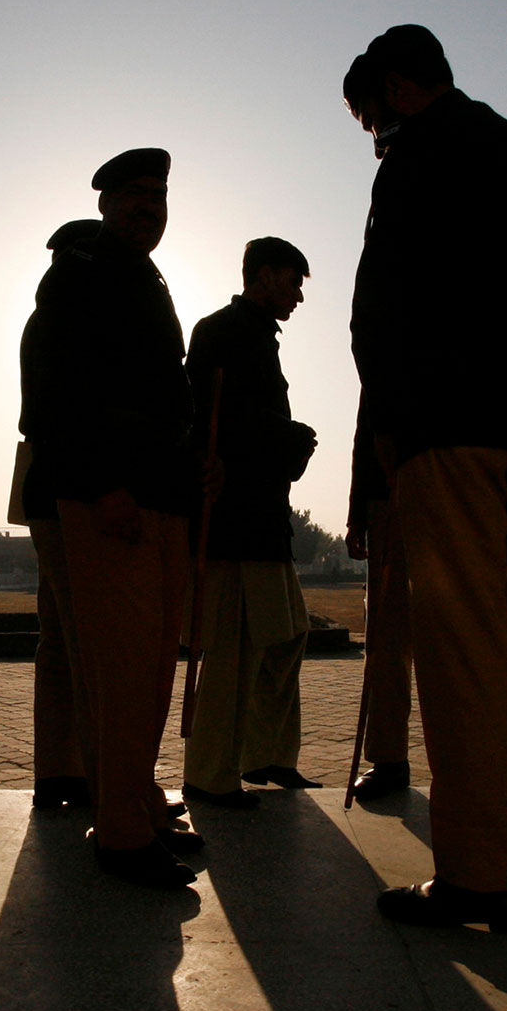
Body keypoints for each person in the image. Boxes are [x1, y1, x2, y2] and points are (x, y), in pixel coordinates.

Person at [344, 26, 507, 932]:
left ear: (399, 91)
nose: (372, 137)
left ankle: (482, 876)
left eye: (369, 117)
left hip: (451, 436)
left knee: (460, 663)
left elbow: (381, 312)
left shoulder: (414, 159)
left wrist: (393, 432)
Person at [19, 148, 202, 889]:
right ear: (103, 204)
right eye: (132, 195)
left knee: (150, 668)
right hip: (113, 498)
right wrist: (101, 485)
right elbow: (55, 395)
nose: (146, 208)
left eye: (157, 196)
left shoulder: (142, 280)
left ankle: (140, 806)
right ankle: (122, 834)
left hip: (157, 495)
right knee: (123, 672)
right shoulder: (79, 277)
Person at [182, 237, 320, 807]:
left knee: (288, 636)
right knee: (234, 651)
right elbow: (210, 422)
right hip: (234, 520)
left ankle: (265, 755)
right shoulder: (220, 332)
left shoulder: (259, 336)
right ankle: (211, 775)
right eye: (293, 282)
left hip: (265, 517)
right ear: (264, 277)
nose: (298, 296)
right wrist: (289, 441)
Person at [23, 220, 103, 811]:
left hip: (46, 481)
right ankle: (104, 781)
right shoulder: (72, 313)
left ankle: (58, 772)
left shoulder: (45, 314)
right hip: (77, 485)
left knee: (58, 639)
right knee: (87, 638)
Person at [345, 393, 414, 801]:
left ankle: (472, 756)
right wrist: (358, 511)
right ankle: (388, 758)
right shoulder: (386, 337)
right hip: (389, 495)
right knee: (387, 639)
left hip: (456, 474)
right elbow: (366, 428)